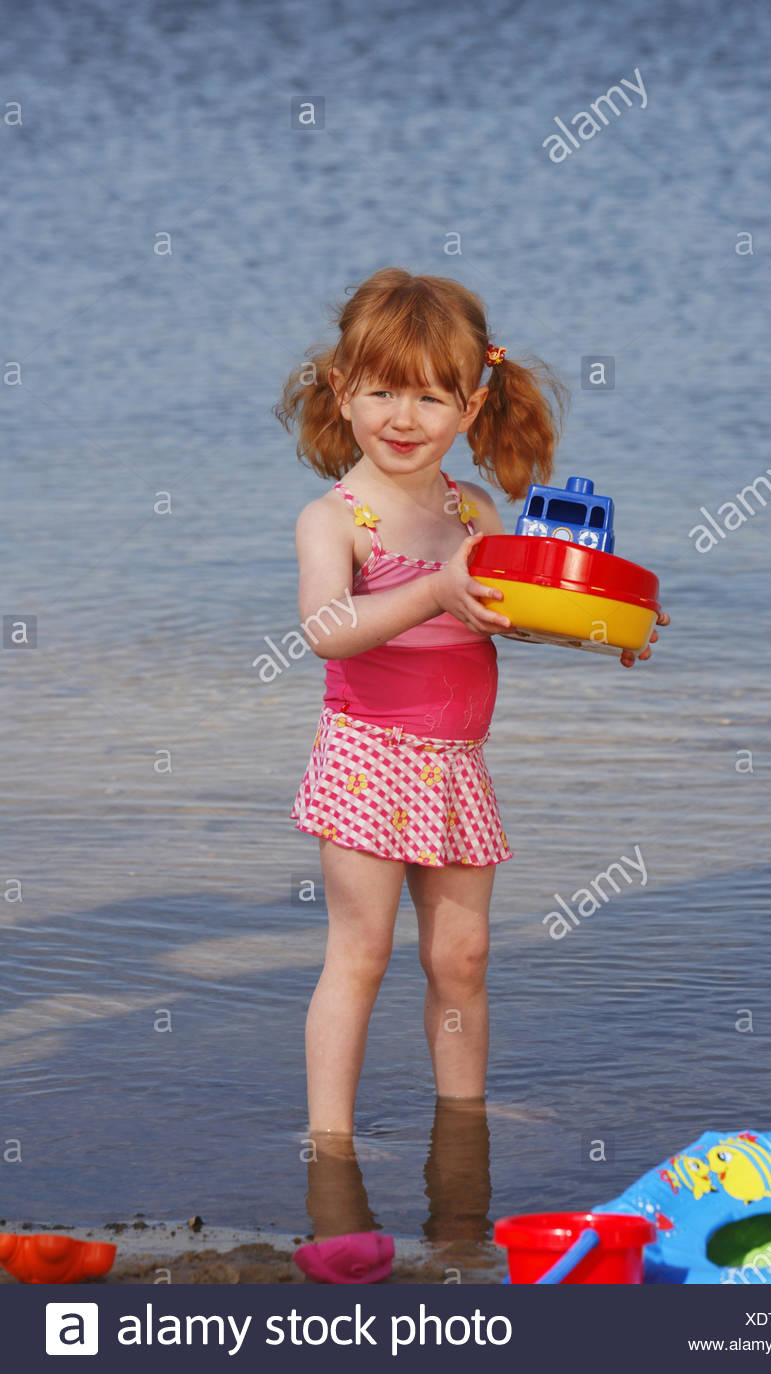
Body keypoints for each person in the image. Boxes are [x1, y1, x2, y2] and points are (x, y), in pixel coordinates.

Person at [274, 267, 669, 1135]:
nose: (402, 418)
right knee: (362, 954)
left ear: (473, 407)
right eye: (380, 391)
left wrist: (614, 627)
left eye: (428, 397)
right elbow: (326, 628)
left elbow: (521, 614)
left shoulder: (474, 511)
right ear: (343, 393)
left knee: (463, 955)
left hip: (458, 768)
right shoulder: (335, 519)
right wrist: (435, 592)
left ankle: (463, 1119)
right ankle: (329, 1140)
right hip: (368, 757)